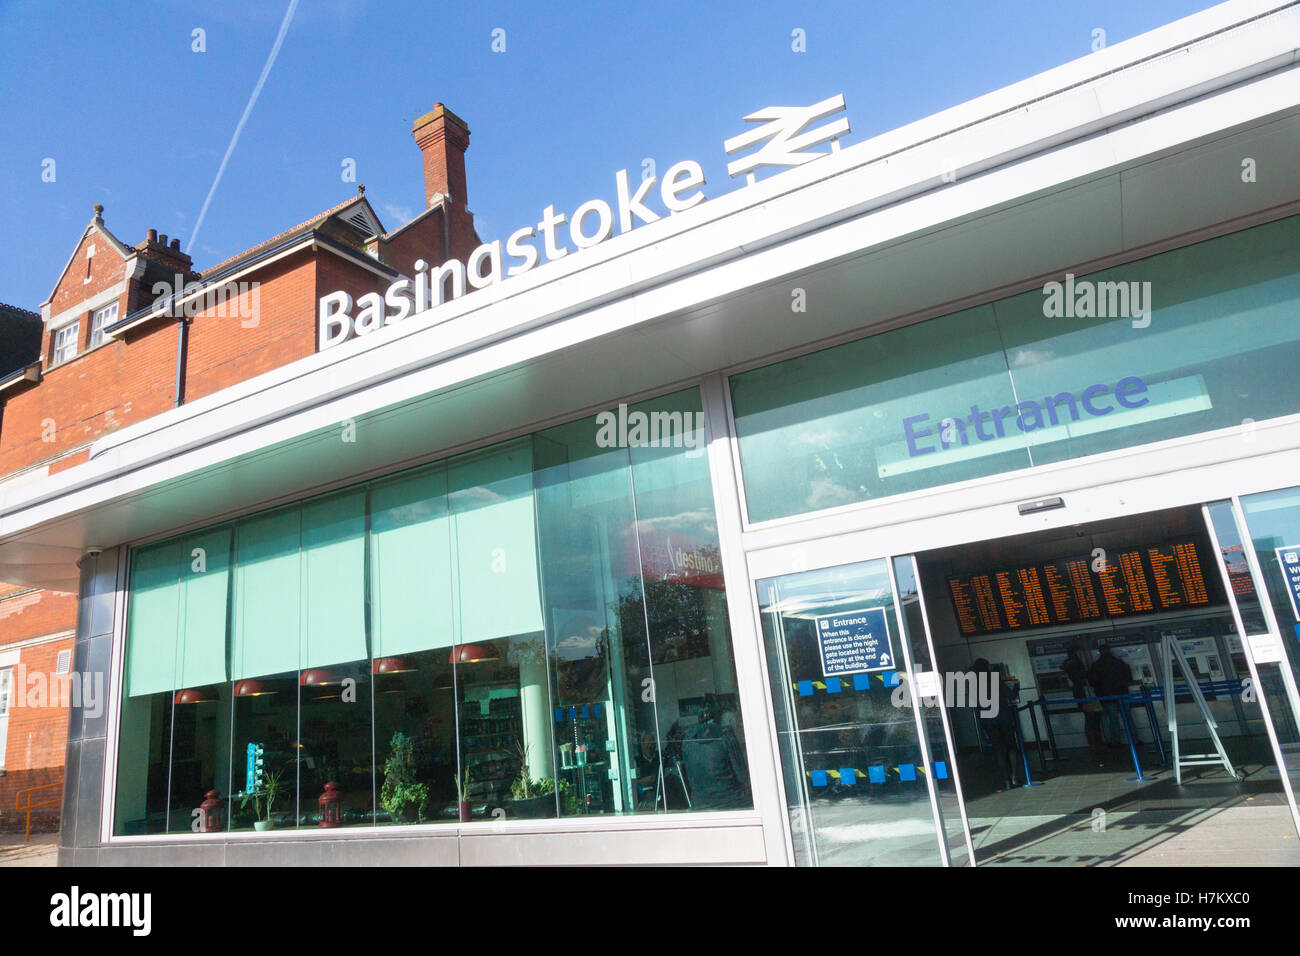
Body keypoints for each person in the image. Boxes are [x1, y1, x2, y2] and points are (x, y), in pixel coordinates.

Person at [680, 695, 749, 809]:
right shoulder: (725, 735)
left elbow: (690, 779)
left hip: (700, 805)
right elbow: (742, 776)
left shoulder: (687, 740)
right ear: (719, 714)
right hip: (732, 802)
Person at [972, 658, 1019, 791]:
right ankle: (1014, 776)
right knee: (1011, 747)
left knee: (999, 750)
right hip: (1003, 718)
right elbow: (1011, 696)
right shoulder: (994, 679)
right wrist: (1016, 687)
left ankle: (1006, 781)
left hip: (988, 721)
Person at [1061, 644, 1105, 758]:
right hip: (1085, 692)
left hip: (1082, 693)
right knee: (1092, 717)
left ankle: (1094, 743)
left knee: (1090, 717)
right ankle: (1095, 743)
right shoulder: (1075, 664)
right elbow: (1081, 678)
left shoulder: (1070, 664)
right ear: (1076, 652)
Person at [1088, 644, 1133, 748]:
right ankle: (1134, 739)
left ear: (1100, 652)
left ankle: (1115, 741)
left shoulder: (1096, 665)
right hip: (1122, 694)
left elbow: (1093, 682)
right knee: (1128, 717)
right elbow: (1128, 678)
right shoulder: (1119, 663)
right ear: (1110, 651)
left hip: (1107, 696)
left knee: (1113, 719)